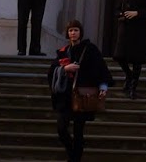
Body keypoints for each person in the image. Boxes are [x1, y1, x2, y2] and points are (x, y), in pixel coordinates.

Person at [47, 19, 112, 162]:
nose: (73, 33)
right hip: (65, 97)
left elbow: (101, 68)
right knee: (61, 129)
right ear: (67, 33)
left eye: (76, 30)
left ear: (80, 32)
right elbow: (51, 71)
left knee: (78, 131)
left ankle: (75, 159)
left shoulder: (90, 49)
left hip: (82, 96)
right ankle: (73, 154)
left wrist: (103, 87)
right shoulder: (64, 52)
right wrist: (64, 69)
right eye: (70, 30)